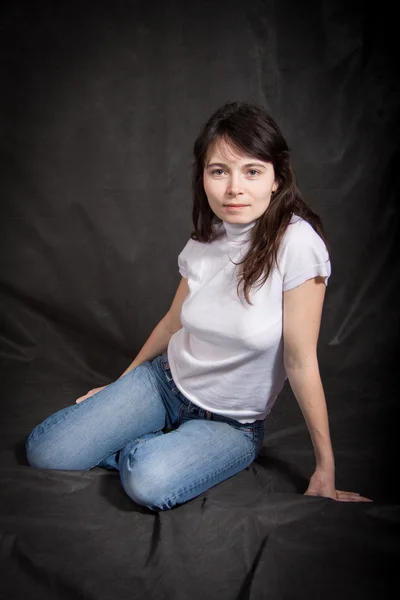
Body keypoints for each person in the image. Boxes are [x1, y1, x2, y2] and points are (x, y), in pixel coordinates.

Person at [25, 101, 373, 510]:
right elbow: (172, 324)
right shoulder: (206, 241)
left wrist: (325, 468)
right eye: (219, 171)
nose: (234, 188)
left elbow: (300, 361)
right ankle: (156, 441)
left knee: (148, 483)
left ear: (277, 179)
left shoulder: (298, 245)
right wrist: (120, 386)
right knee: (47, 454)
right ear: (204, 178)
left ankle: (166, 451)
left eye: (252, 171)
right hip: (164, 384)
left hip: (231, 425)